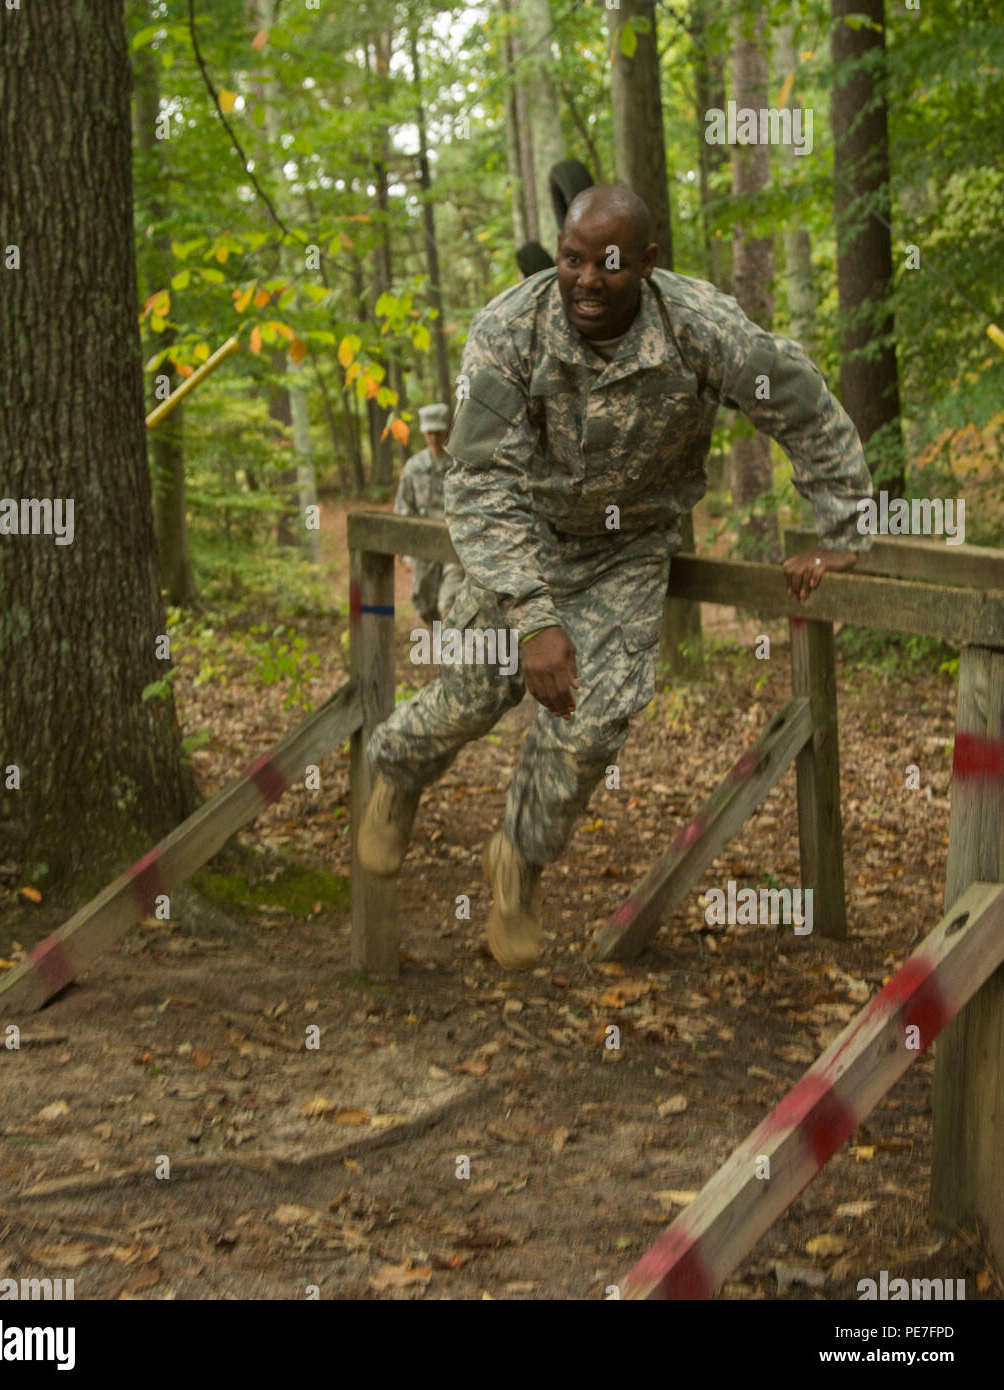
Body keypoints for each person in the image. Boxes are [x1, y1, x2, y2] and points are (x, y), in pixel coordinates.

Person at [359, 184, 873, 970]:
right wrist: (533, 615)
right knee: (473, 693)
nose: (587, 280)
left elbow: (797, 397)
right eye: (572, 259)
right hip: (522, 534)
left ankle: (517, 861)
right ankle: (397, 773)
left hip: (627, 546)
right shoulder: (510, 329)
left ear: (646, 263)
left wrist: (843, 528)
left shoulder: (699, 327)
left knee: (592, 725)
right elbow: (480, 483)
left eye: (609, 263)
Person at [393, 403, 465, 624]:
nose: (433, 437)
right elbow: (404, 509)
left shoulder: (460, 464)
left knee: (449, 601)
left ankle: (451, 643)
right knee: (424, 604)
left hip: (454, 546)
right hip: (423, 548)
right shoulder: (414, 467)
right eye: (429, 432)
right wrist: (404, 552)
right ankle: (439, 640)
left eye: (438, 432)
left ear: (447, 430)